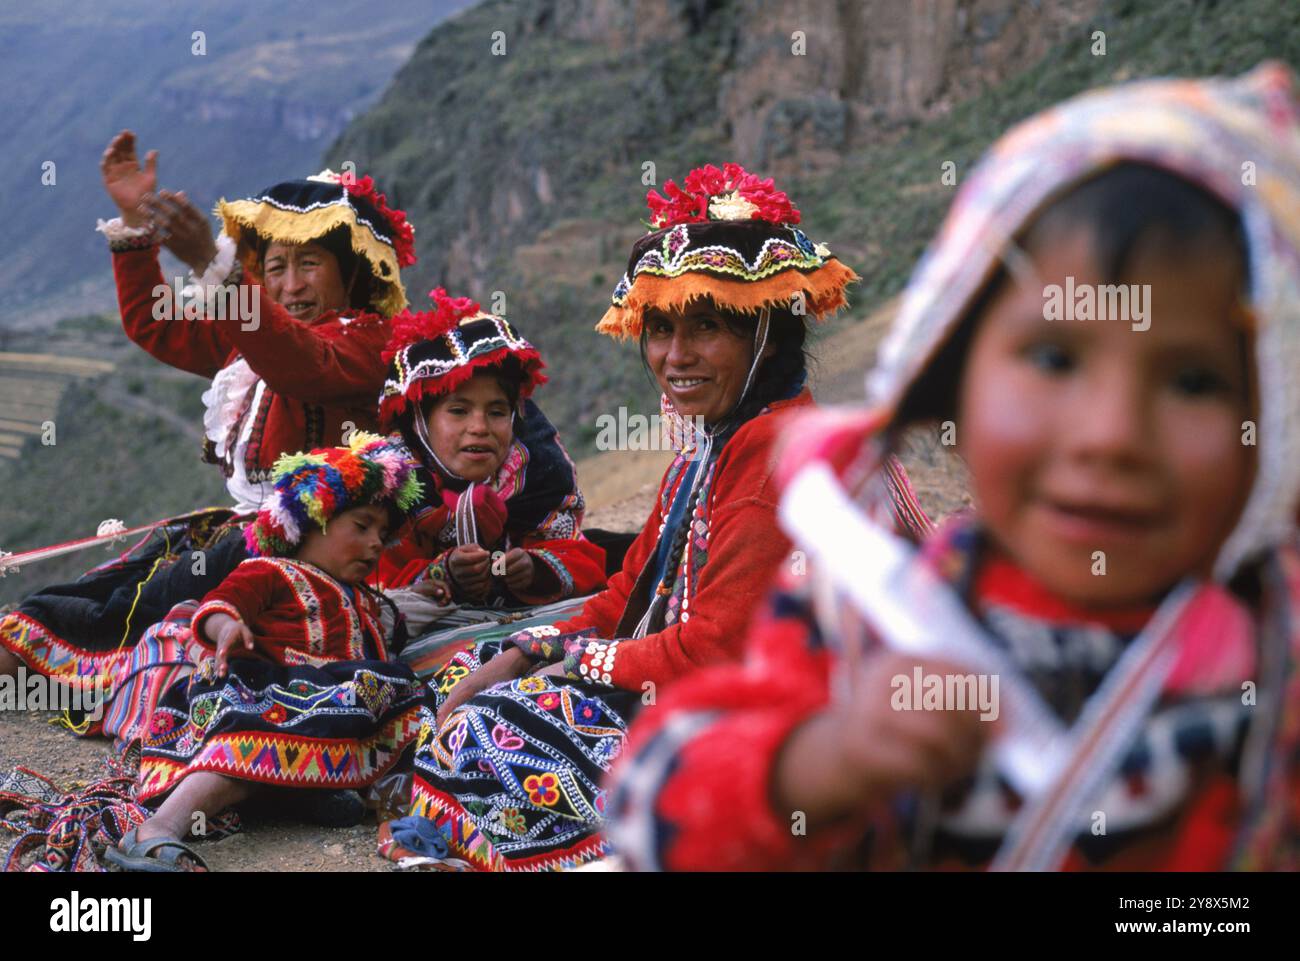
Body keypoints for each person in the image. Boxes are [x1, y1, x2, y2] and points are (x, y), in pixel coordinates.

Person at [605, 63, 1300, 871]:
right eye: (1054, 358)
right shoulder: (863, 619)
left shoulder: (1276, 656)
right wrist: (818, 762)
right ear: (951, 381)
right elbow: (648, 805)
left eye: (1193, 380)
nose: (1112, 435)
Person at [399, 164, 930, 870]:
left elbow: (711, 650)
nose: (673, 357)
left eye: (705, 328)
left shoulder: (773, 460)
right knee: (466, 674)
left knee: (488, 731)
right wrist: (528, 650)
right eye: (659, 328)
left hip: (800, 732)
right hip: (710, 689)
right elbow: (630, 595)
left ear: (765, 336)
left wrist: (569, 658)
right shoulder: (711, 445)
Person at [0, 130, 417, 707]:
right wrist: (137, 230)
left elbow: (300, 365)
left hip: (306, 547)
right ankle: (25, 659)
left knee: (125, 608)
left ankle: (34, 675)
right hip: (240, 532)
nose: (289, 285)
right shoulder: (253, 335)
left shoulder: (365, 344)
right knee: (103, 584)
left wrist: (209, 263)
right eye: (275, 267)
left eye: (309, 264)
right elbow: (158, 325)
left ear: (351, 276)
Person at [108, 433, 427, 870]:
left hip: (330, 708)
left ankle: (304, 790)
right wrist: (227, 628)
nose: (376, 542)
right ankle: (160, 828)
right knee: (244, 750)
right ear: (311, 521)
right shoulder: (269, 571)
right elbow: (220, 604)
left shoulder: (366, 600)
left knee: (412, 703)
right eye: (362, 525)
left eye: (383, 532)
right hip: (264, 694)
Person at [372, 287, 606, 608]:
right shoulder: (392, 491)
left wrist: (536, 568)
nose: (480, 428)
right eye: (458, 411)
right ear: (420, 423)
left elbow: (582, 558)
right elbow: (375, 580)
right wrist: (445, 573)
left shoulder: (538, 477)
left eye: (496, 412)